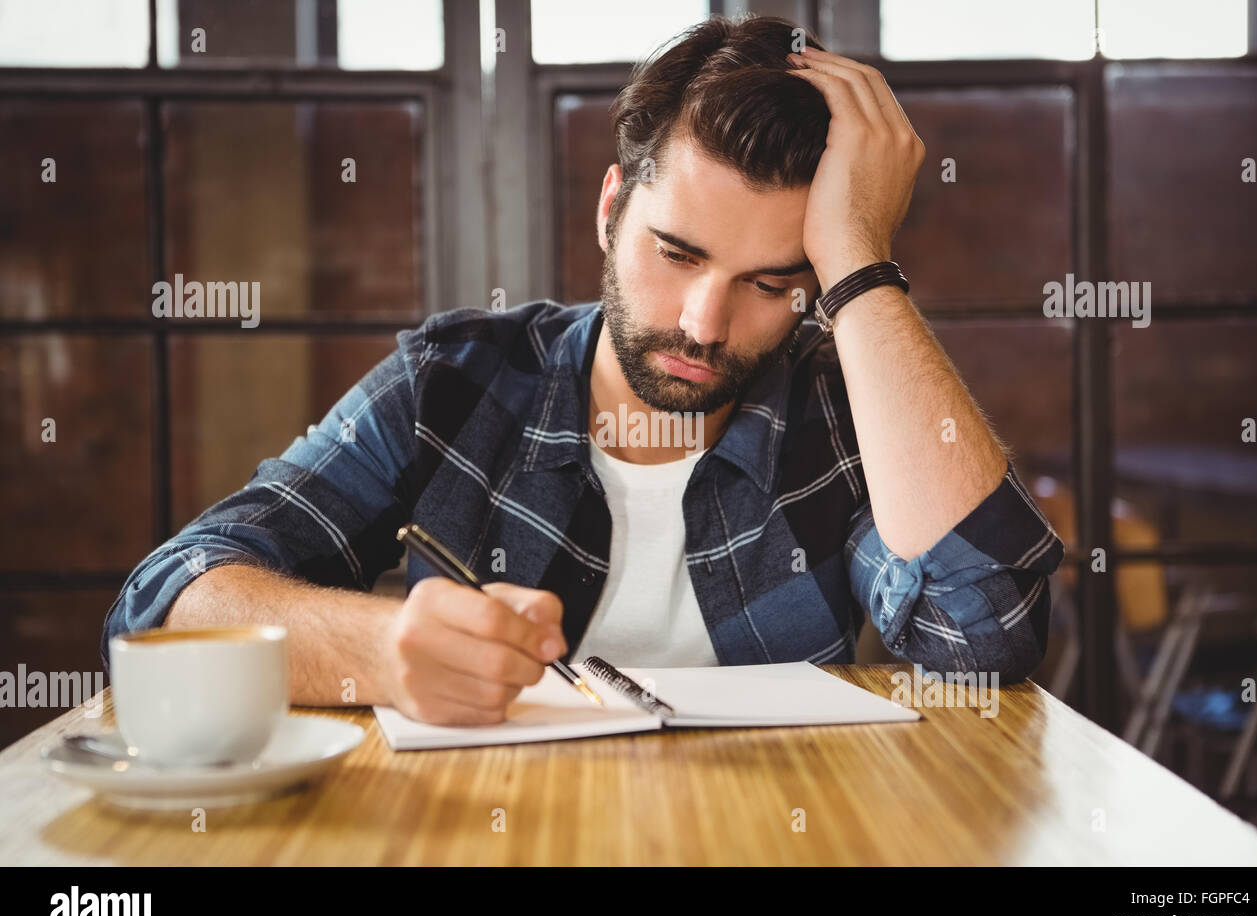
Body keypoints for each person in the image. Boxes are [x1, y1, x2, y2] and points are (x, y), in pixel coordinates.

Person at [103, 15, 1063, 725]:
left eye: (772, 283)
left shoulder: (839, 408)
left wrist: (861, 263)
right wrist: (382, 655)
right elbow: (159, 608)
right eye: (677, 254)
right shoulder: (457, 382)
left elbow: (986, 641)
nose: (704, 323)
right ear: (611, 210)